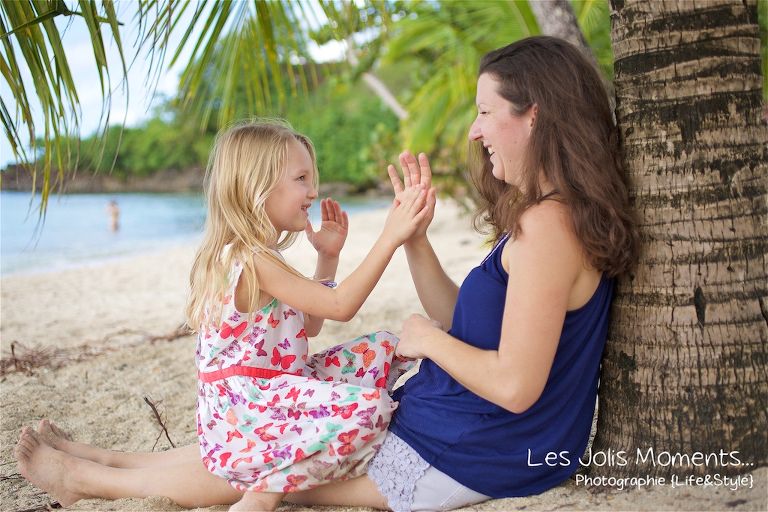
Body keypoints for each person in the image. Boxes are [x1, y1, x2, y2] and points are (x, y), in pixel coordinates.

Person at [15, 36, 639, 511]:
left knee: (267, 455)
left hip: (475, 448)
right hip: (459, 424)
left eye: (484, 111)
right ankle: (103, 458)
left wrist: (426, 343)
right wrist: (414, 242)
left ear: (534, 115)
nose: (475, 130)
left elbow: (514, 386)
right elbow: (470, 323)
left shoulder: (548, 229)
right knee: (271, 434)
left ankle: (89, 477)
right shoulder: (543, 221)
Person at [14, 120, 430, 511]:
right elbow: (341, 308)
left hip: (266, 393)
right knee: (371, 409)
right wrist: (390, 236)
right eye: (301, 178)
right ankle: (264, 490)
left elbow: (309, 325)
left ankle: (99, 457)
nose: (313, 190)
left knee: (384, 348)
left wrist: (327, 259)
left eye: (312, 178)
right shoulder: (253, 260)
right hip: (251, 407)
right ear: (257, 187)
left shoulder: (253, 255)